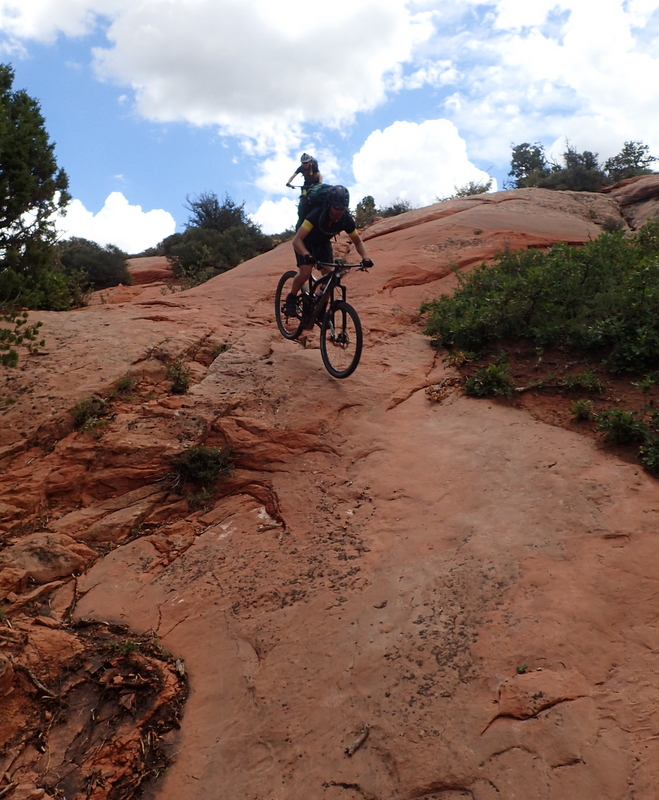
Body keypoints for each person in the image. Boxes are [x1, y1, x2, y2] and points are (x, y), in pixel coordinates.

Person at [285, 185, 373, 316]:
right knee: (305, 272)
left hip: (322, 243)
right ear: (329, 204)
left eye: (342, 209)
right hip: (305, 242)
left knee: (329, 278)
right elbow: (296, 240)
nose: (338, 212)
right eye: (336, 208)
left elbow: (358, 241)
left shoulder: (346, 219)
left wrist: (366, 257)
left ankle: (320, 309)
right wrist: (306, 255)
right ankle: (291, 298)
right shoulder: (316, 214)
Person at [286, 153, 323, 229]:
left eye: (306, 163)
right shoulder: (301, 168)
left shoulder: (314, 166)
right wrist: (288, 182)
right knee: (303, 196)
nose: (305, 164)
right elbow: (293, 175)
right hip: (306, 185)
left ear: (309, 162)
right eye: (303, 163)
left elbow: (320, 176)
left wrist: (319, 184)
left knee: (317, 197)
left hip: (315, 184)